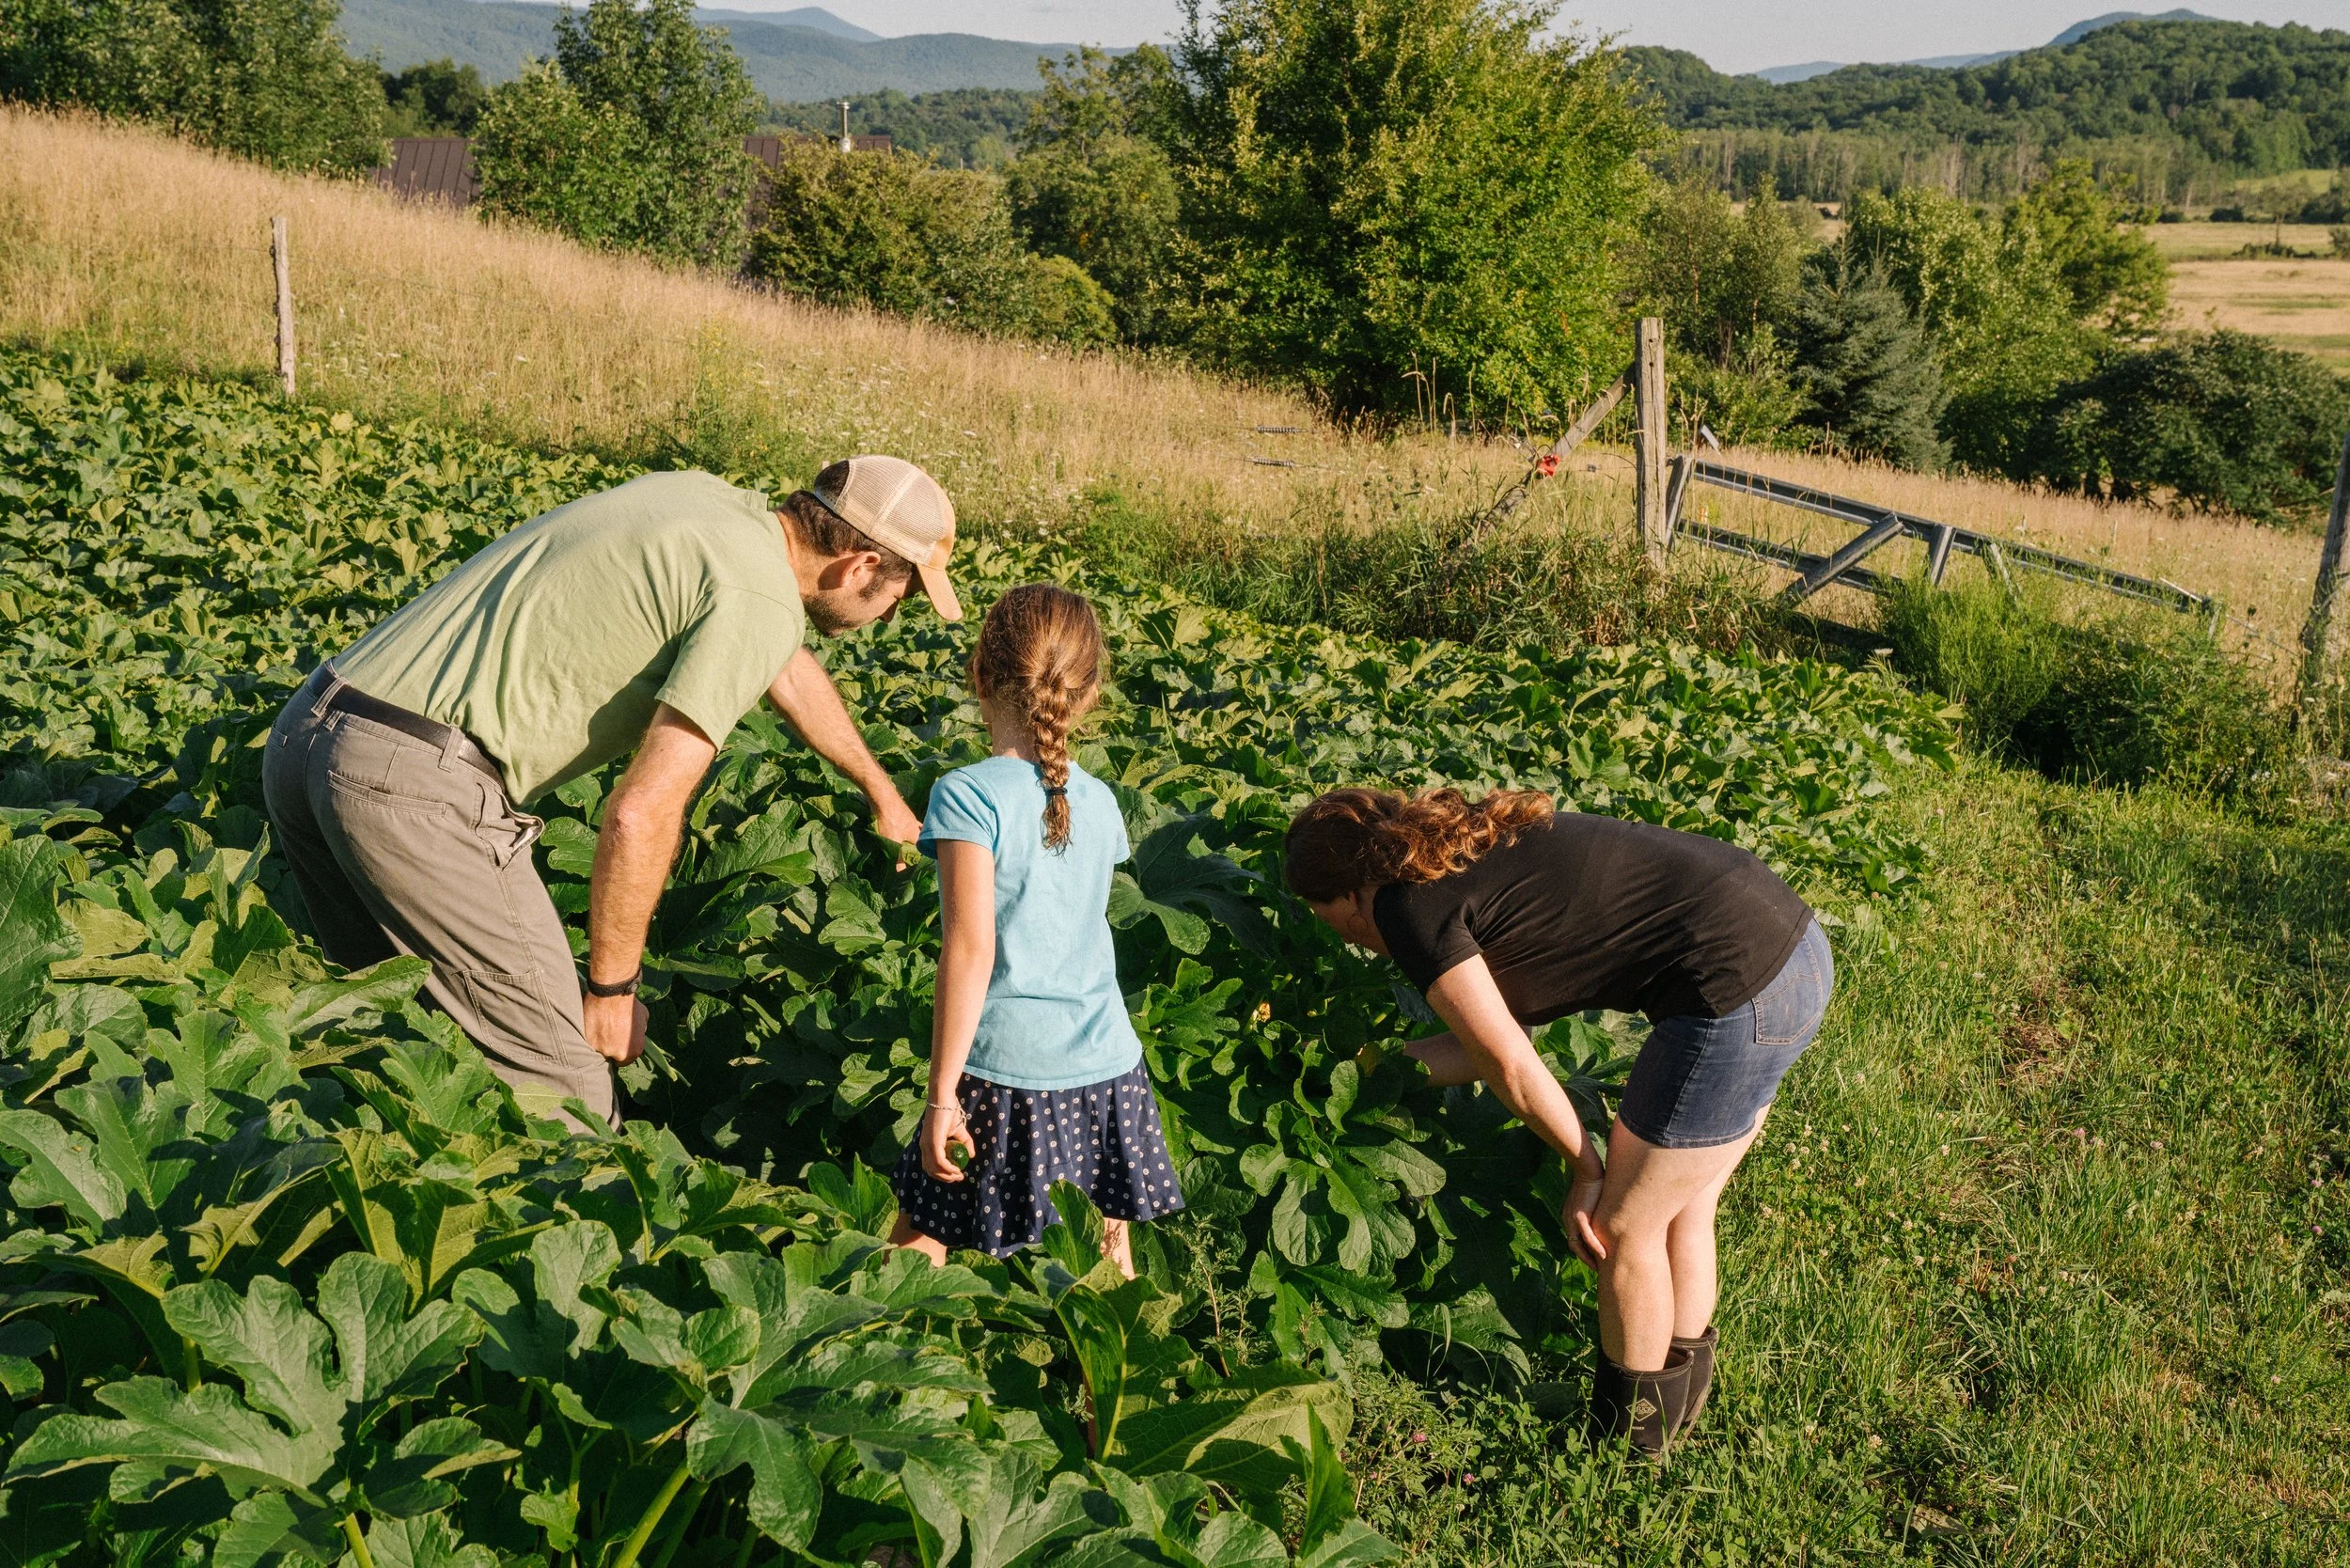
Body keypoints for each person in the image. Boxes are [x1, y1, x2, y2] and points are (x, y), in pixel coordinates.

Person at [262, 458, 962, 1127]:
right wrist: (610, 991)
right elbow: (639, 813)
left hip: (309, 732)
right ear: (862, 565)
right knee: (565, 1092)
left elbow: (780, 660)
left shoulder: (705, 504)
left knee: (397, 1034)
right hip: (408, 790)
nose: (894, 617)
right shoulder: (758, 599)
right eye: (903, 596)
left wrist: (881, 791)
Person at [1283, 787, 1833, 1457]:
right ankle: (1675, 1422)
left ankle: (1626, 1454)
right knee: (1684, 1208)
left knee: (1622, 1229)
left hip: (1732, 986)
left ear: (1349, 892)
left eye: (1323, 914)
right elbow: (1483, 1042)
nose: (1336, 934)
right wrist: (1362, 1071)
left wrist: (1586, 1169)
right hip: (1791, 948)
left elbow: (1512, 1066)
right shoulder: (1448, 859)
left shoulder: (1403, 906)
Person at [890, 583, 1183, 1275]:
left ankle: (866, 1366)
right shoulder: (1102, 799)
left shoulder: (966, 793)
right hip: (1108, 1061)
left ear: (979, 674)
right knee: (1105, 1255)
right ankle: (1121, 1380)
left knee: (920, 1242)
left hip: (1006, 1066)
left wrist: (940, 1096)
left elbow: (969, 951)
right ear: (1087, 693)